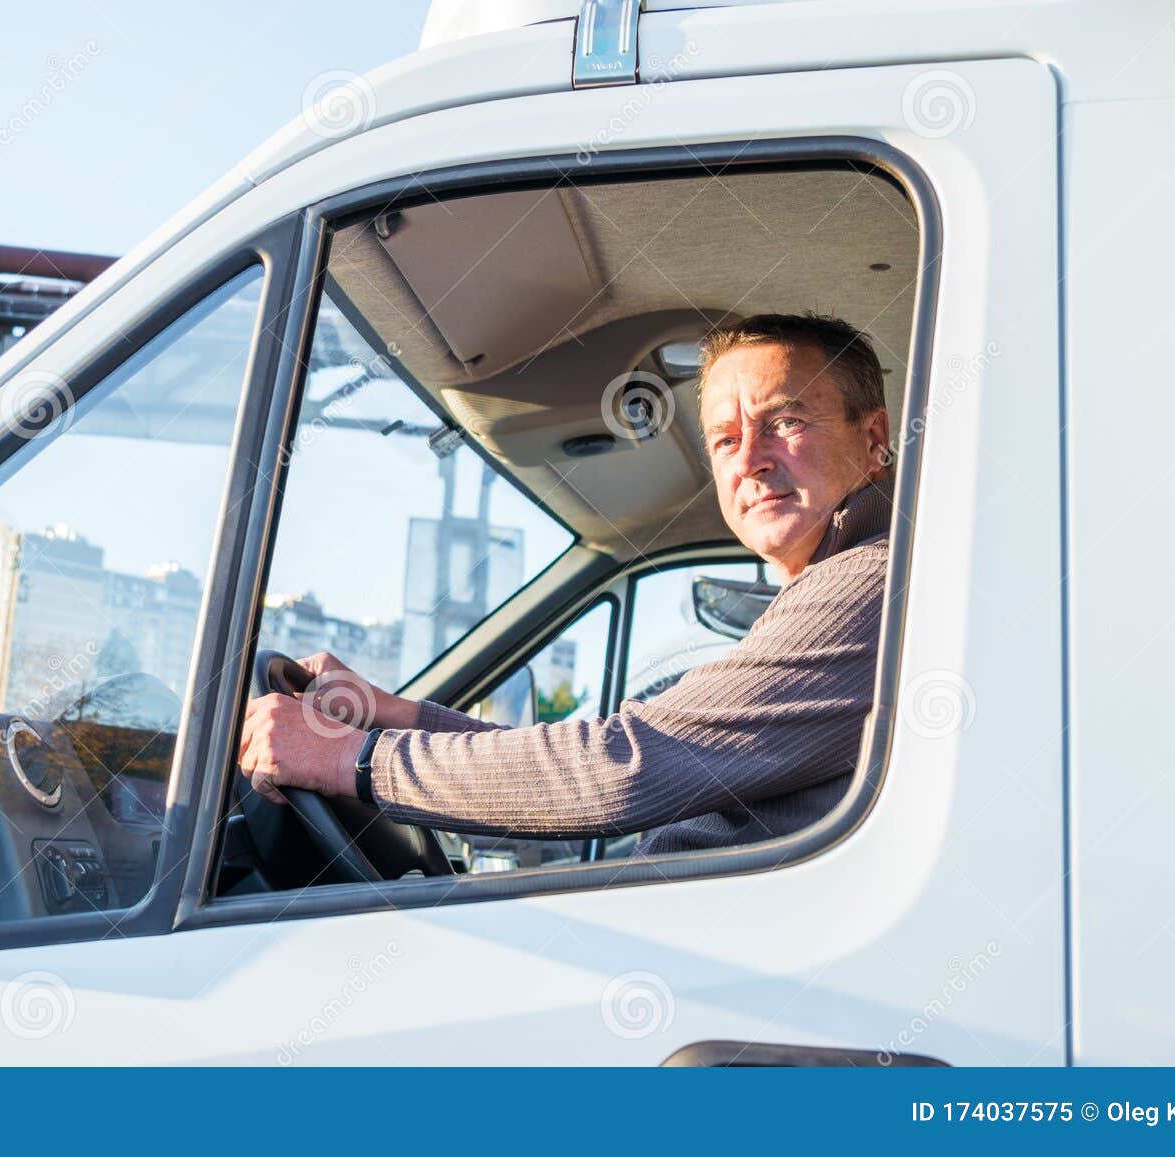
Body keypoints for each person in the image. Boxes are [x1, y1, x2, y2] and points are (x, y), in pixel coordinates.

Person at [238, 312, 895, 855]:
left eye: (785, 419)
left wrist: (347, 759)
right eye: (724, 439)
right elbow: (616, 758)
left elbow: (620, 766)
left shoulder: (872, 582)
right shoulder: (831, 584)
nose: (749, 458)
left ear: (873, 439)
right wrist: (390, 714)